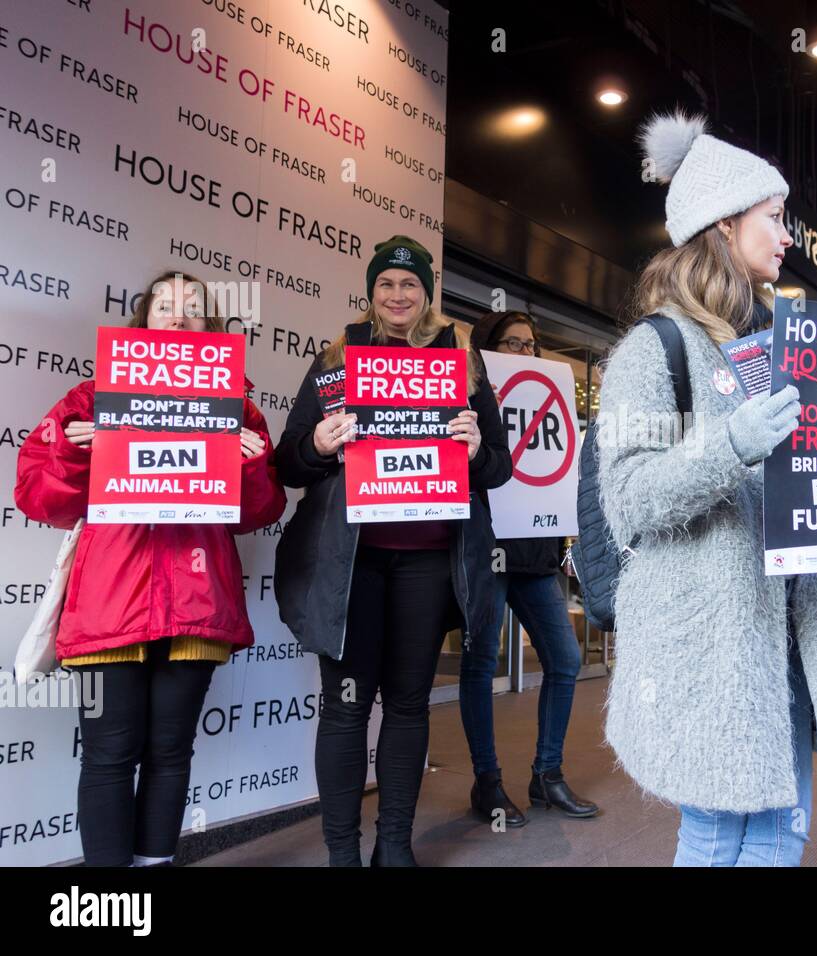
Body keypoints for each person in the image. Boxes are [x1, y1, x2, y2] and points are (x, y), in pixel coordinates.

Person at [598, 112, 817, 867]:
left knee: (783, 831)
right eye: (772, 219)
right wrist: (731, 445)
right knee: (716, 833)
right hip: (712, 641)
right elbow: (629, 497)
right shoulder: (654, 348)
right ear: (720, 225)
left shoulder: (792, 347)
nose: (785, 237)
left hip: (792, 634)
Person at [14, 271, 286, 867]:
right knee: (109, 755)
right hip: (109, 603)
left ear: (211, 328)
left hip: (197, 606)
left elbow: (258, 513)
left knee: (170, 751)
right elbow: (37, 496)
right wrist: (69, 452)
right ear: (142, 321)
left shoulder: (237, 406)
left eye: (193, 308)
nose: (178, 316)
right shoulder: (90, 399)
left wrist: (251, 465)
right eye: (165, 305)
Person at [274, 236, 512, 867]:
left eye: (410, 285)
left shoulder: (463, 360)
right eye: (387, 284)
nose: (399, 295)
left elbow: (499, 471)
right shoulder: (335, 358)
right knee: (347, 708)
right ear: (372, 291)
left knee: (408, 704)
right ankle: (343, 855)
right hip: (351, 565)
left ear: (427, 292)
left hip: (429, 561)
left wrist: (475, 450)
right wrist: (318, 445)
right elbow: (286, 463)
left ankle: (396, 847)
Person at [459, 310, 597, 827]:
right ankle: (487, 783)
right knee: (478, 665)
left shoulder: (547, 397)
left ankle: (547, 774)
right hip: (489, 547)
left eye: (531, 345)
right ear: (487, 349)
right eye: (513, 344)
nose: (524, 353)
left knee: (564, 660)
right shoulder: (468, 394)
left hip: (536, 553)